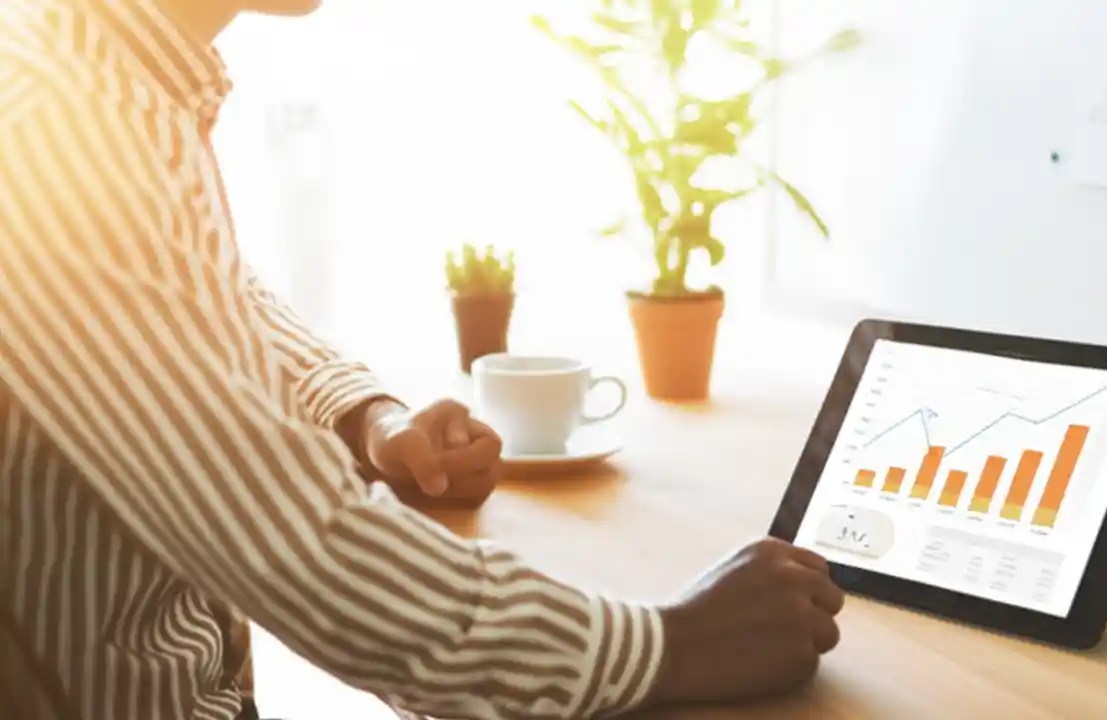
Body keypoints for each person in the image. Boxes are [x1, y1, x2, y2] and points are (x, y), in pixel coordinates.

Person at [0, 1, 845, 718]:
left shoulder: (99, 81)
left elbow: (199, 293)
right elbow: (289, 542)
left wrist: (363, 415)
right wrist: (663, 646)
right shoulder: (58, 121)